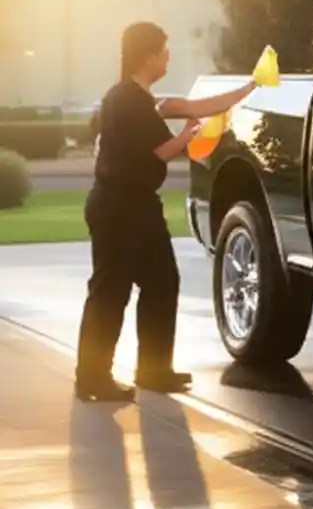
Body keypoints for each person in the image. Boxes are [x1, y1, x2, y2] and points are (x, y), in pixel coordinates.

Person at [75, 22, 258, 402]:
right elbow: (161, 151)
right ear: (148, 56)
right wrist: (191, 134)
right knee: (111, 292)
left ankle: (154, 370)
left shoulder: (142, 98)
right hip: (118, 208)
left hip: (139, 205)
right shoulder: (127, 100)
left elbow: (197, 106)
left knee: (162, 282)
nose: (168, 56)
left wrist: (250, 88)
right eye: (164, 50)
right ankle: (92, 379)